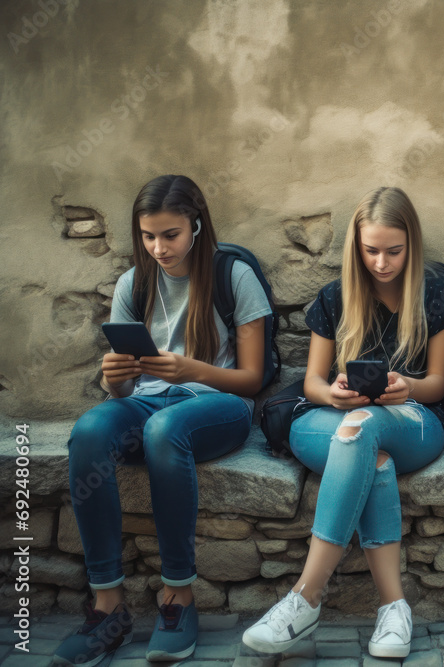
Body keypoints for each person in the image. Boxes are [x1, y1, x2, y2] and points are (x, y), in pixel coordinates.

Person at [54, 175, 271, 666]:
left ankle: (178, 598)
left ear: (195, 225)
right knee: (89, 431)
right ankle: (108, 606)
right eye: (148, 236)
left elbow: (253, 379)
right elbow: (125, 390)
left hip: (218, 404)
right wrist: (114, 379)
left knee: (164, 431)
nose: (157, 247)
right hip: (148, 400)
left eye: (169, 234)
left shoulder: (231, 275)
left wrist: (191, 369)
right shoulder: (134, 282)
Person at [242, 187, 444, 658]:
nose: (382, 262)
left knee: (364, 429)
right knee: (369, 450)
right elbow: (313, 384)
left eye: (394, 251)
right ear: (356, 247)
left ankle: (305, 597)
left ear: (412, 245)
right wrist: (336, 395)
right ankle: (394, 608)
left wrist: (410, 387)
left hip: (415, 420)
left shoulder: (439, 297)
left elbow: (439, 383)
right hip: (335, 420)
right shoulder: (335, 298)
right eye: (371, 250)